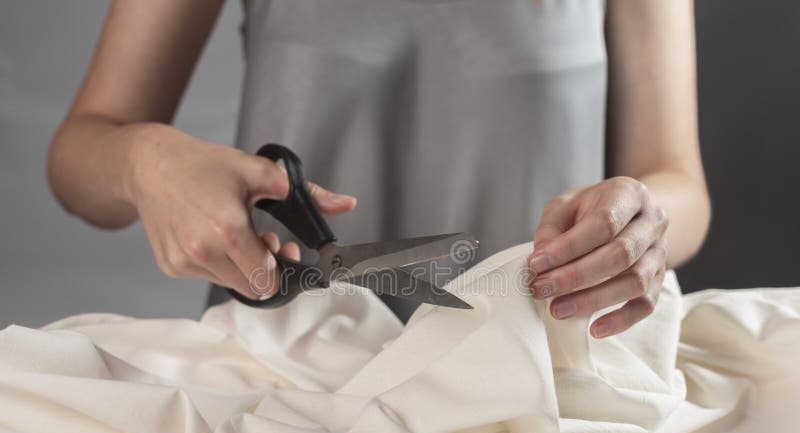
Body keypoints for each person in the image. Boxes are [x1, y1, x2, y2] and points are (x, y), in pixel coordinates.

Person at [47, 0, 710, 337]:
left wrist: (640, 223)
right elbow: (79, 157)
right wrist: (145, 160)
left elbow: (675, 180)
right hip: (275, 393)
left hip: (541, 398)